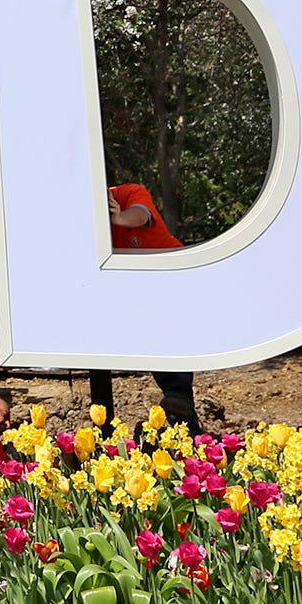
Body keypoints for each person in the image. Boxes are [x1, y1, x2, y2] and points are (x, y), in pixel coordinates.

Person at [108, 182, 202, 426]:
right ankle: (182, 417)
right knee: (154, 338)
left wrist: (119, 218)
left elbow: (141, 214)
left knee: (166, 334)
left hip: (170, 271)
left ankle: (179, 400)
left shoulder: (129, 192)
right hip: (137, 284)